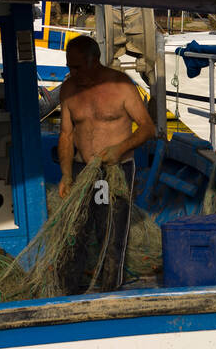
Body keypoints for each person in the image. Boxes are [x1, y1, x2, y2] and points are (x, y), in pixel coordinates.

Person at [57, 34, 155, 292]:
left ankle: (110, 289)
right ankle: (72, 292)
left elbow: (147, 128)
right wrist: (66, 174)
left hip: (115, 172)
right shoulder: (69, 90)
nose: (72, 72)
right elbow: (66, 135)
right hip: (82, 171)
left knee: (110, 233)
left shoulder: (121, 86)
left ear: (95, 61)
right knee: (75, 233)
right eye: (69, 66)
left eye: (77, 66)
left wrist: (119, 149)